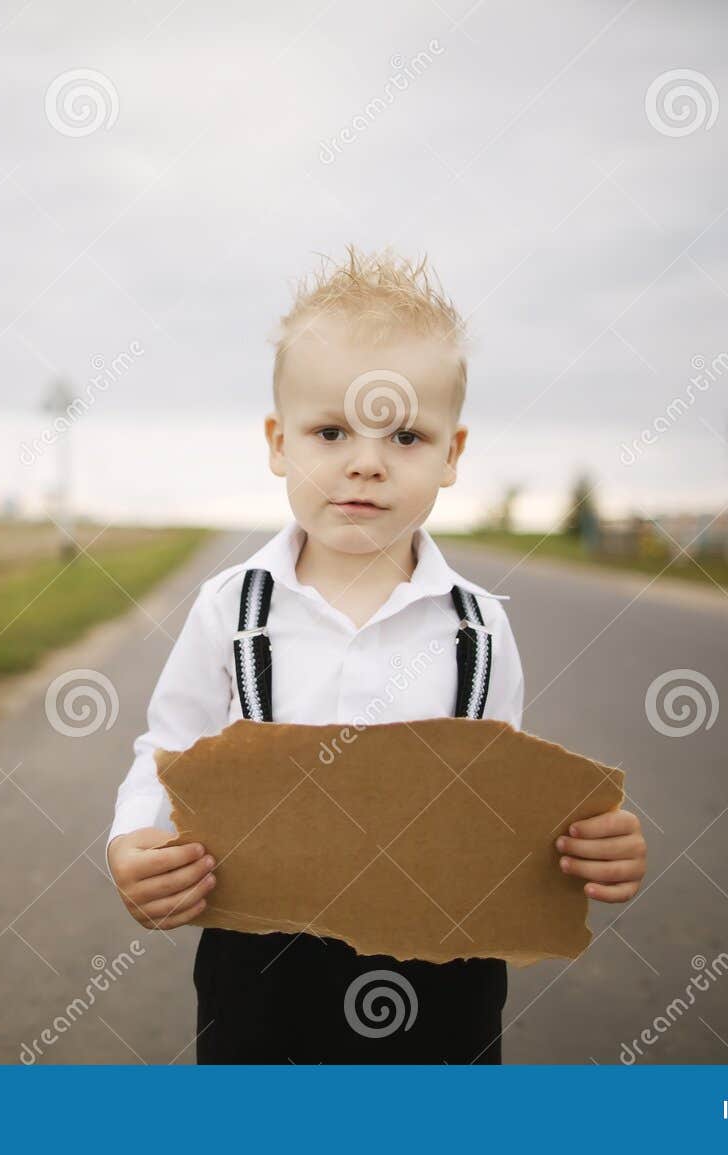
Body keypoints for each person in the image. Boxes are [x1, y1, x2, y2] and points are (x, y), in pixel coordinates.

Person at [105, 244, 646, 1063]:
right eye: (330, 431)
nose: (365, 460)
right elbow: (170, 747)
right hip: (261, 963)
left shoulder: (478, 629)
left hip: (446, 970)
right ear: (277, 442)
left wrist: (589, 847)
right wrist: (132, 842)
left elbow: (504, 803)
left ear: (453, 454)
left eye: (405, 434)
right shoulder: (233, 610)